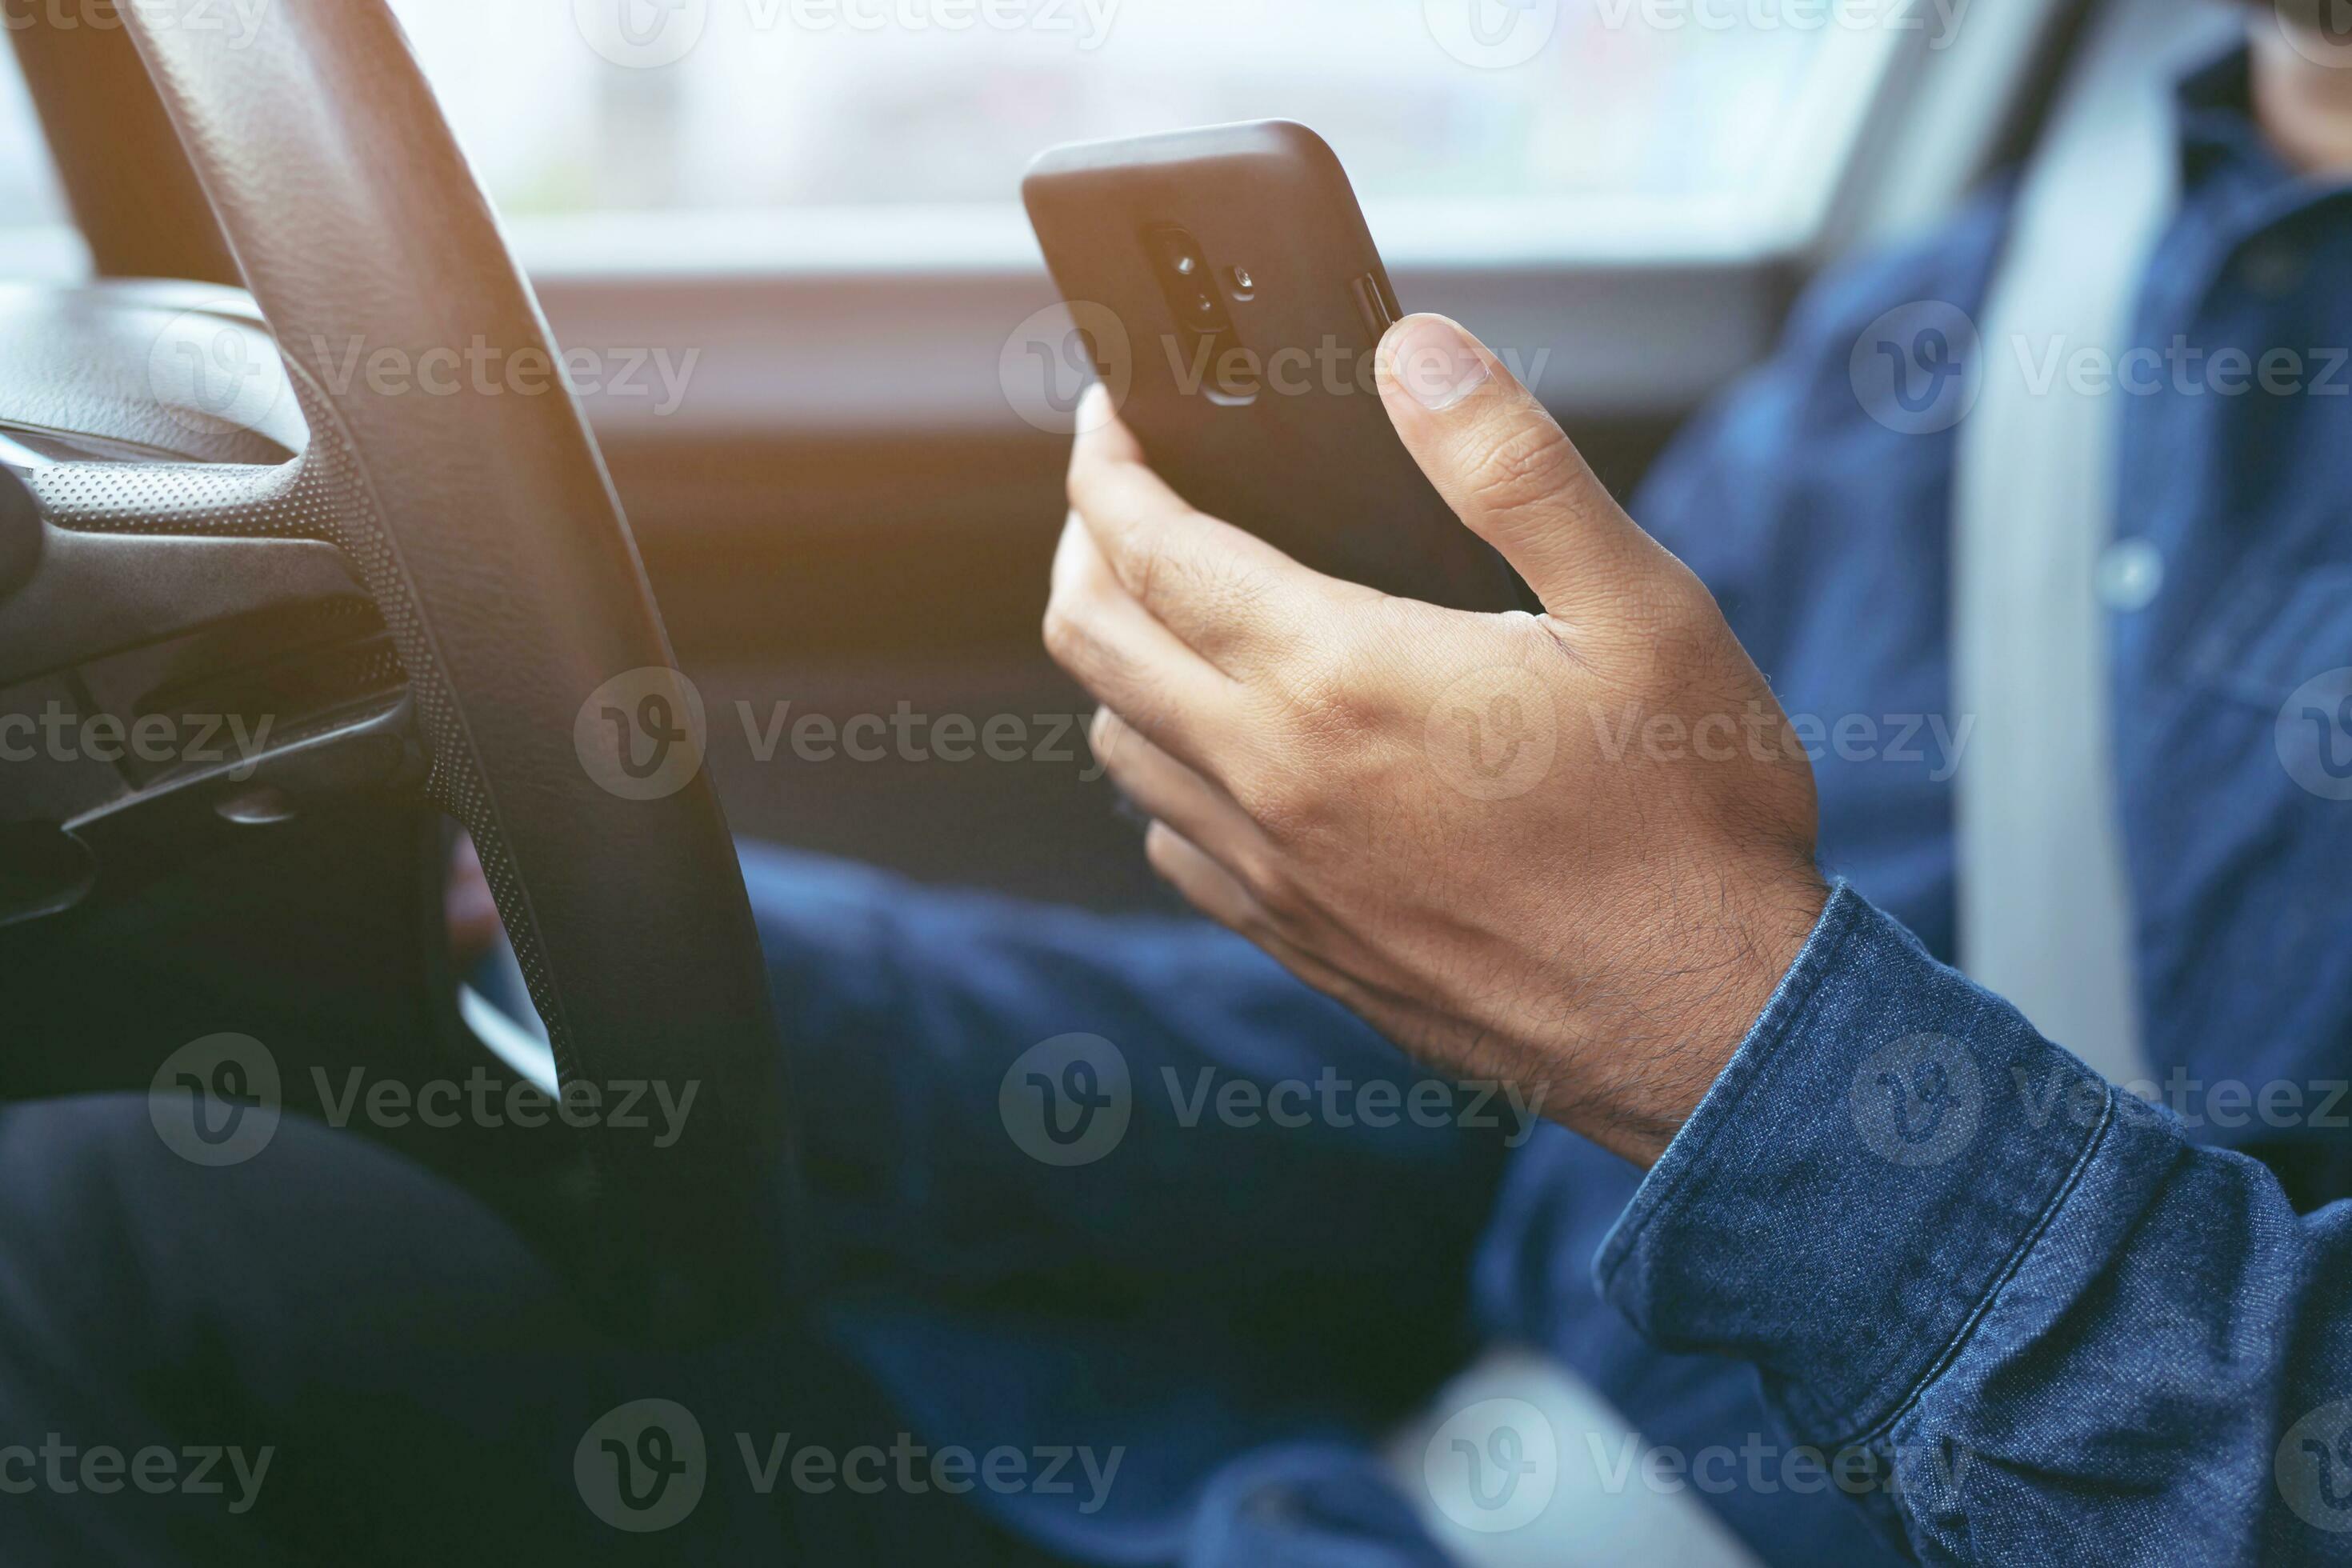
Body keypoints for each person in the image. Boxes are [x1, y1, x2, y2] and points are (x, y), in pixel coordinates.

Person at [4, 6, 2348, 1564]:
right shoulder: (1955, 321)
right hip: (1390, 1486)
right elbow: (1419, 1121)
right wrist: (610, 923)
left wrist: (1716, 1028)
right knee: (116, 1199)